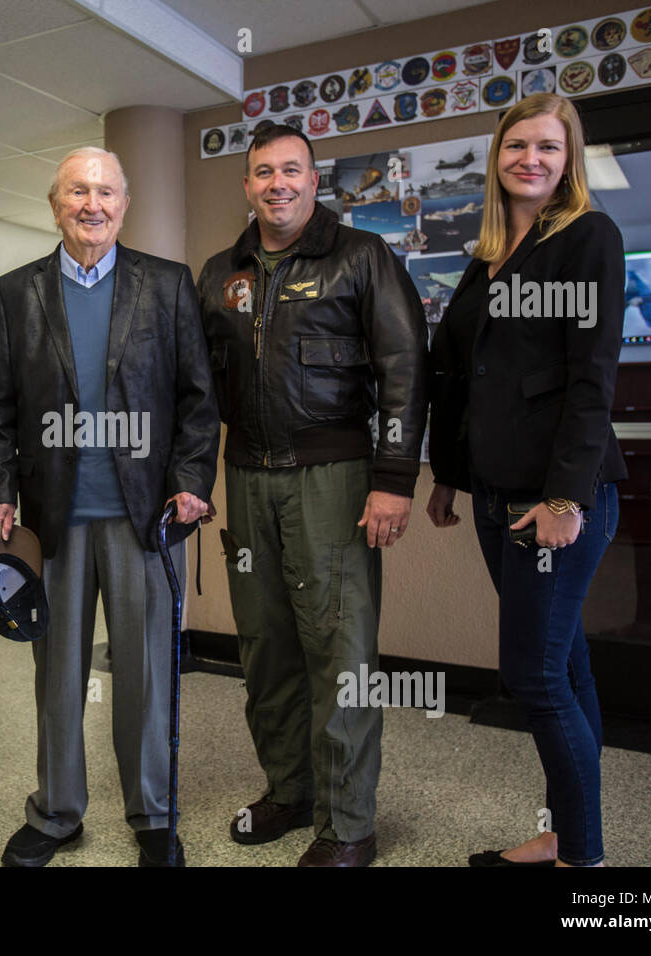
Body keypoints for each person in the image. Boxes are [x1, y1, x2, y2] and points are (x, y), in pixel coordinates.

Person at [0, 147, 219, 867]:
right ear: (55, 204)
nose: (93, 204)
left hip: (145, 516)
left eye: (107, 192)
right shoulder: (15, 292)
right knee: (57, 674)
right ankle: (56, 813)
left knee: (147, 673)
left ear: (125, 204)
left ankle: (153, 814)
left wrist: (191, 480)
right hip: (53, 520)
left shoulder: (166, 284)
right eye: (78, 191)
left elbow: (198, 400)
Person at [197, 124, 427, 867]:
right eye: (263, 172)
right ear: (247, 185)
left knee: (340, 652)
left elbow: (404, 369)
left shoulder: (362, 258)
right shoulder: (219, 272)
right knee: (265, 649)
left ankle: (348, 825)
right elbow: (195, 388)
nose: (278, 184)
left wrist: (393, 480)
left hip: (334, 477)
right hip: (247, 477)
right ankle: (289, 791)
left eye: (291, 170)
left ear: (315, 179)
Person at [427, 93, 626, 868]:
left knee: (535, 676)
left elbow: (591, 380)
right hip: (492, 494)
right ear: (497, 157)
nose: (531, 159)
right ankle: (565, 833)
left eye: (548, 147)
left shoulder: (587, 238)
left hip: (556, 500)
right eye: (517, 145)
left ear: (568, 157)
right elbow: (467, 374)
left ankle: (583, 859)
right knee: (565, 667)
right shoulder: (486, 255)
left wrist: (565, 497)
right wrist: (448, 475)